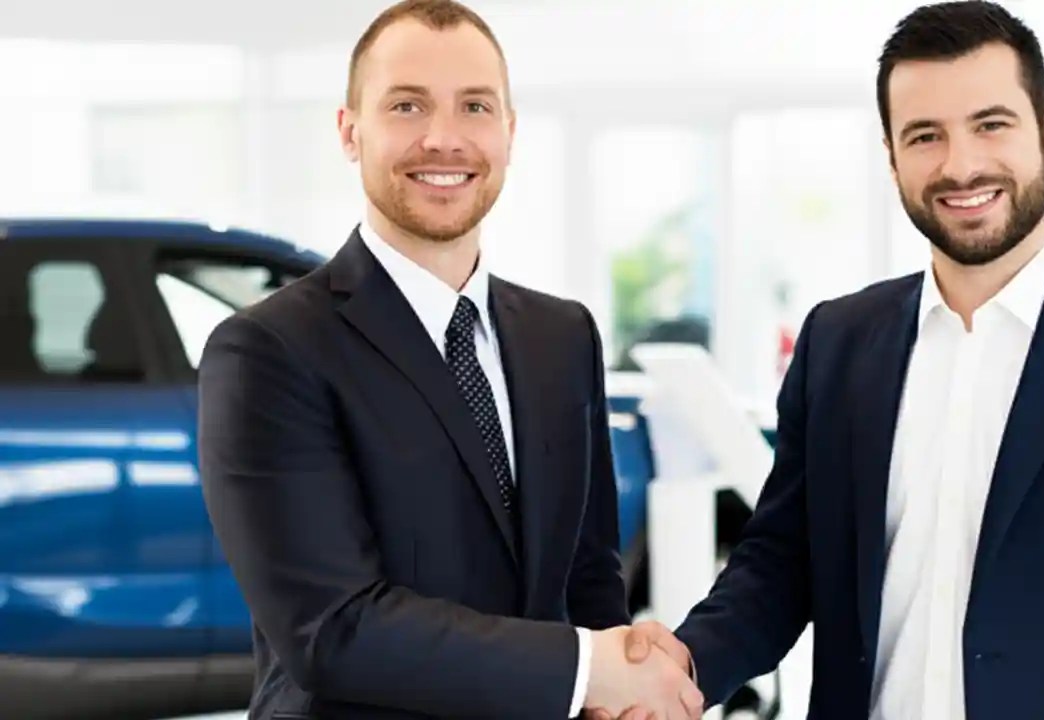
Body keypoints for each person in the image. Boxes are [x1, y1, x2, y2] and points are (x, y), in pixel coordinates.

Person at [620, 1, 1044, 718]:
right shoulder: (839, 342)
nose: (961, 165)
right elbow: (782, 563)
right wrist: (684, 667)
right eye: (925, 135)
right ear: (892, 155)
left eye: (991, 125)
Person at [197, 1, 701, 718]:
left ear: (509, 131)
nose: (444, 138)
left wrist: (623, 676)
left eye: (475, 107)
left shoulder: (562, 337)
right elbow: (333, 629)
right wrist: (593, 669)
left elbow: (589, 582)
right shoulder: (269, 351)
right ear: (350, 131)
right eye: (406, 106)